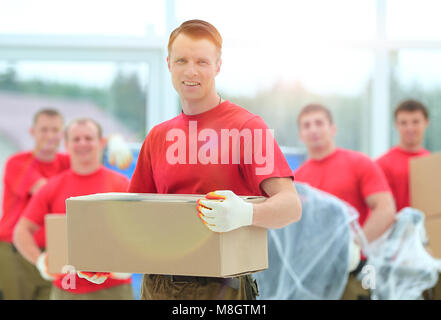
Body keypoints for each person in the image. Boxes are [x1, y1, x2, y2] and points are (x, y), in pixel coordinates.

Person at [98, 19, 302, 300]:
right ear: (169, 64)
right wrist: (104, 261)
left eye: (202, 62)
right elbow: (136, 217)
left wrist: (246, 214)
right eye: (181, 60)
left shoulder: (247, 128)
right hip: (157, 284)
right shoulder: (158, 136)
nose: (190, 71)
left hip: (220, 286)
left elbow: (291, 206)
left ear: (218, 66)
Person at [13, 118, 133, 300]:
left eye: (88, 138)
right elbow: (21, 231)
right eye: (76, 139)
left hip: (114, 291)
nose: (82, 143)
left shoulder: (122, 184)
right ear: (67, 145)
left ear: (101, 143)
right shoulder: (52, 187)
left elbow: (141, 229)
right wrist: (40, 261)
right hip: (65, 291)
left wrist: (130, 262)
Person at [293, 103, 396, 300]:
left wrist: (355, 245)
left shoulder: (359, 163)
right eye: (306, 125)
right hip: (314, 275)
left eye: (319, 123)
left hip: (357, 269)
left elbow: (385, 208)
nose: (313, 129)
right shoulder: (296, 180)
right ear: (300, 135)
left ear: (333, 129)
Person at [0, 109, 69, 300]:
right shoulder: (18, 162)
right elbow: (44, 193)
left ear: (62, 134)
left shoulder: (68, 162)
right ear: (32, 132)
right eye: (44, 129)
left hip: (53, 252)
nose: (49, 135)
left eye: (55, 130)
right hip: (14, 253)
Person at [376, 99, 430, 212]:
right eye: (403, 123)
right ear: (396, 125)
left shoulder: (432, 163)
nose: (410, 128)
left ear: (426, 122)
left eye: (415, 122)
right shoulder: (381, 164)